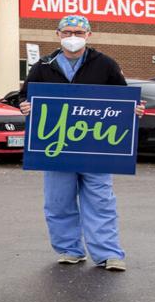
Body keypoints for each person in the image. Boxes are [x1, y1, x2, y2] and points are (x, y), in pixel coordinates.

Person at [18, 15, 143, 271]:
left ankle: (108, 254)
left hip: (96, 147)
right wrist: (24, 105)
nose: (72, 37)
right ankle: (69, 250)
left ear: (88, 35)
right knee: (58, 201)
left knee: (101, 201)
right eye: (67, 32)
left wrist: (134, 109)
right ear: (58, 34)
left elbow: (122, 96)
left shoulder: (105, 64)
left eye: (78, 32)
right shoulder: (43, 65)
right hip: (56, 146)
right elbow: (24, 95)